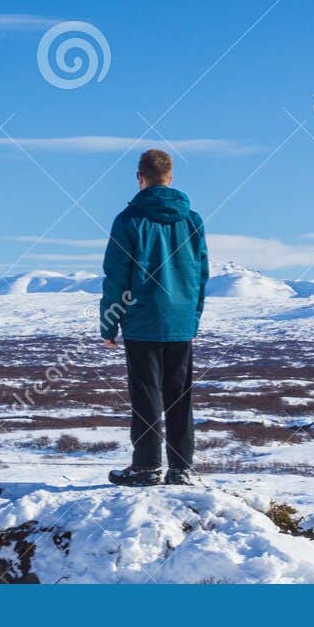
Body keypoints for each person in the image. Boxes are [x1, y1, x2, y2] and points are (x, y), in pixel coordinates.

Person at [99, 148, 210, 487]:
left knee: (146, 393)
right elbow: (200, 272)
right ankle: (181, 468)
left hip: (143, 319)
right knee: (180, 395)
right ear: (170, 178)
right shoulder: (191, 220)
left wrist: (109, 323)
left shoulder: (129, 220)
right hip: (180, 322)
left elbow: (116, 275)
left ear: (140, 177)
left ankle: (146, 467)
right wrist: (193, 317)